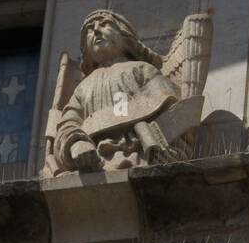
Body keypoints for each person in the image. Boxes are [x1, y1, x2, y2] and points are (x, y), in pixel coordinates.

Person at [51, 10, 183, 173]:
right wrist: (76, 144)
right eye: (90, 30)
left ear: (125, 35)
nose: (96, 30)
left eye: (105, 24)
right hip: (95, 164)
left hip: (139, 156)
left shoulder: (142, 69)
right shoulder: (82, 88)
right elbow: (68, 124)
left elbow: (171, 108)